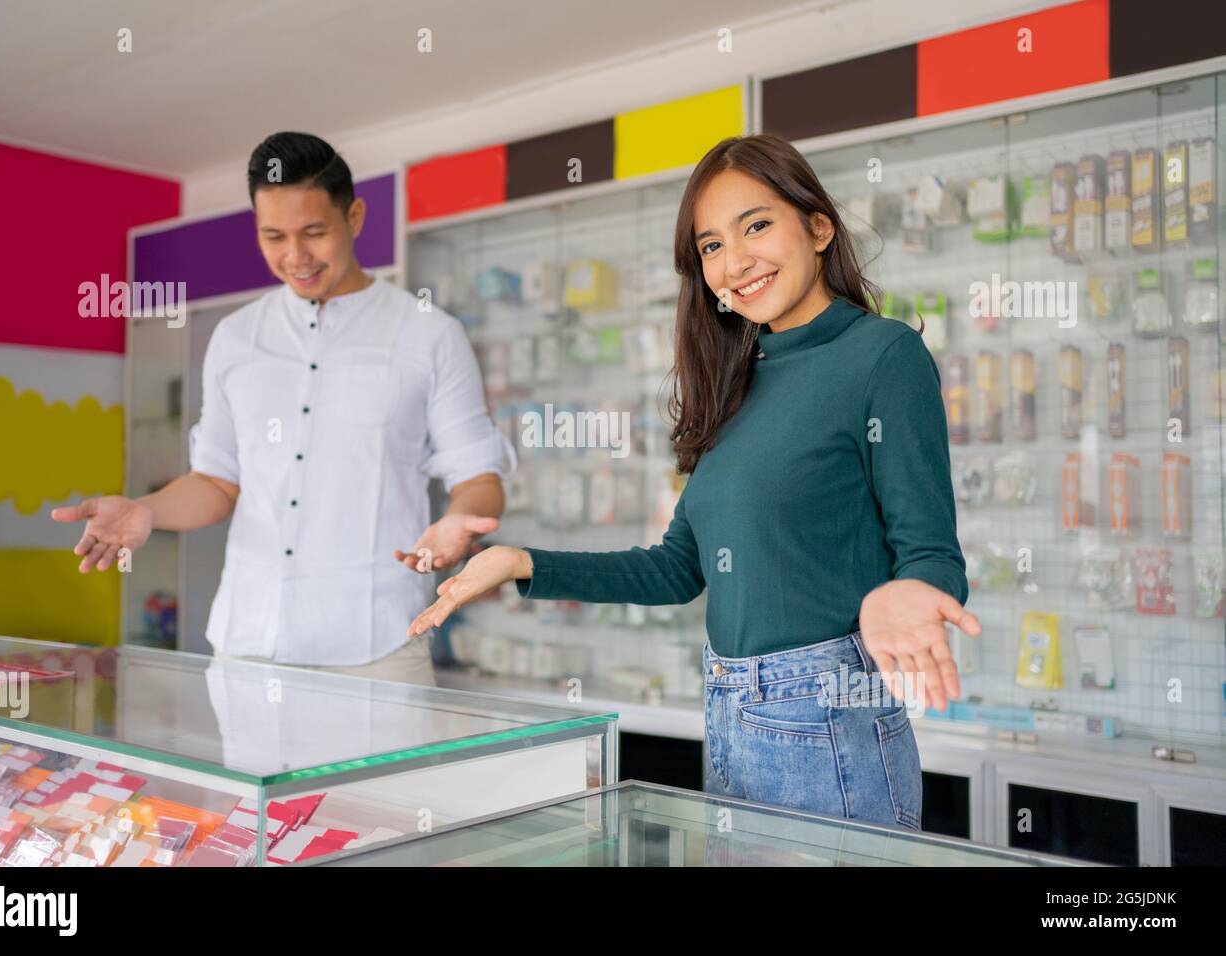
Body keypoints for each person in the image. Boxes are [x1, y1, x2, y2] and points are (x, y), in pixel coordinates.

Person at [408, 133, 981, 830]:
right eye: (711, 246)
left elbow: (930, 551)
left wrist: (910, 594)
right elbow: (677, 568)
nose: (735, 262)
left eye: (757, 226)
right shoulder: (736, 385)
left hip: (828, 721)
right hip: (728, 711)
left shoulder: (883, 356)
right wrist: (520, 562)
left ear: (820, 227)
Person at [53, 132, 514, 685]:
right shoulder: (235, 338)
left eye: (314, 232)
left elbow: (477, 476)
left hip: (378, 649)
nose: (295, 257)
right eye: (273, 236)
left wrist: (461, 518)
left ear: (356, 217)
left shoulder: (430, 335)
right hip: (248, 646)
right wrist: (147, 510)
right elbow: (217, 483)